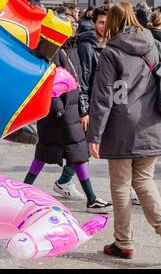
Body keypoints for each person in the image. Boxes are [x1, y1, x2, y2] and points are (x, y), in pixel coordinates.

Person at [86, 2, 161, 261]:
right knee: (144, 180)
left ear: (114, 22)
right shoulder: (156, 45)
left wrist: (94, 135)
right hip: (152, 124)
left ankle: (124, 242)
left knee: (121, 185)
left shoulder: (111, 53)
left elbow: (105, 97)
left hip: (121, 127)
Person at [24, 43, 110, 211]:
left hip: (68, 109)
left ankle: (25, 190)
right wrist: (58, 109)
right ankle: (91, 199)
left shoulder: (70, 48)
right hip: (61, 112)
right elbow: (49, 80)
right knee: (73, 151)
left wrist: (81, 109)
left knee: (51, 152)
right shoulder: (53, 49)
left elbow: (77, 79)